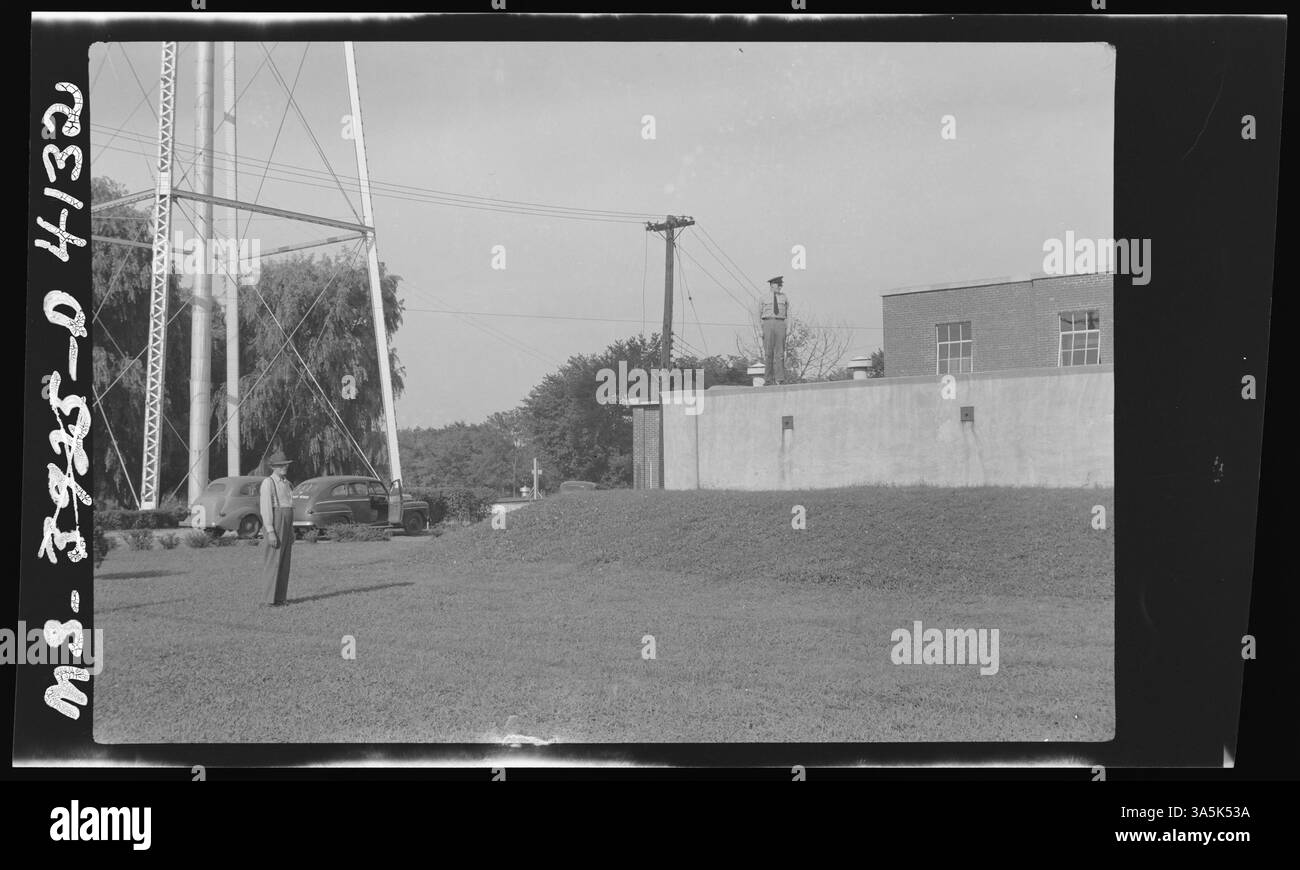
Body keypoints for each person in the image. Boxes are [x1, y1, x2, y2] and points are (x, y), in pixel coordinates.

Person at [259, 450, 295, 606]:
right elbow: (266, 508)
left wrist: (291, 530)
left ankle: (280, 597)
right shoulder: (268, 482)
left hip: (287, 521)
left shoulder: (287, 483)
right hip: (276, 521)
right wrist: (270, 531)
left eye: (285, 465)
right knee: (273, 561)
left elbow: (290, 505)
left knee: (284, 562)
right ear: (273, 467)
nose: (284, 468)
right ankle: (268, 599)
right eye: (280, 466)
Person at [760, 275, 789, 384]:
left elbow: (788, 313)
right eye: (778, 285)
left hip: (780, 323)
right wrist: (760, 329)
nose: (780, 287)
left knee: (780, 353)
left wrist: (787, 326)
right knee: (768, 353)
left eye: (781, 285)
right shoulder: (763, 298)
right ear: (772, 285)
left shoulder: (784, 297)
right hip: (767, 323)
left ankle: (780, 379)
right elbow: (758, 314)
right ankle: (768, 379)